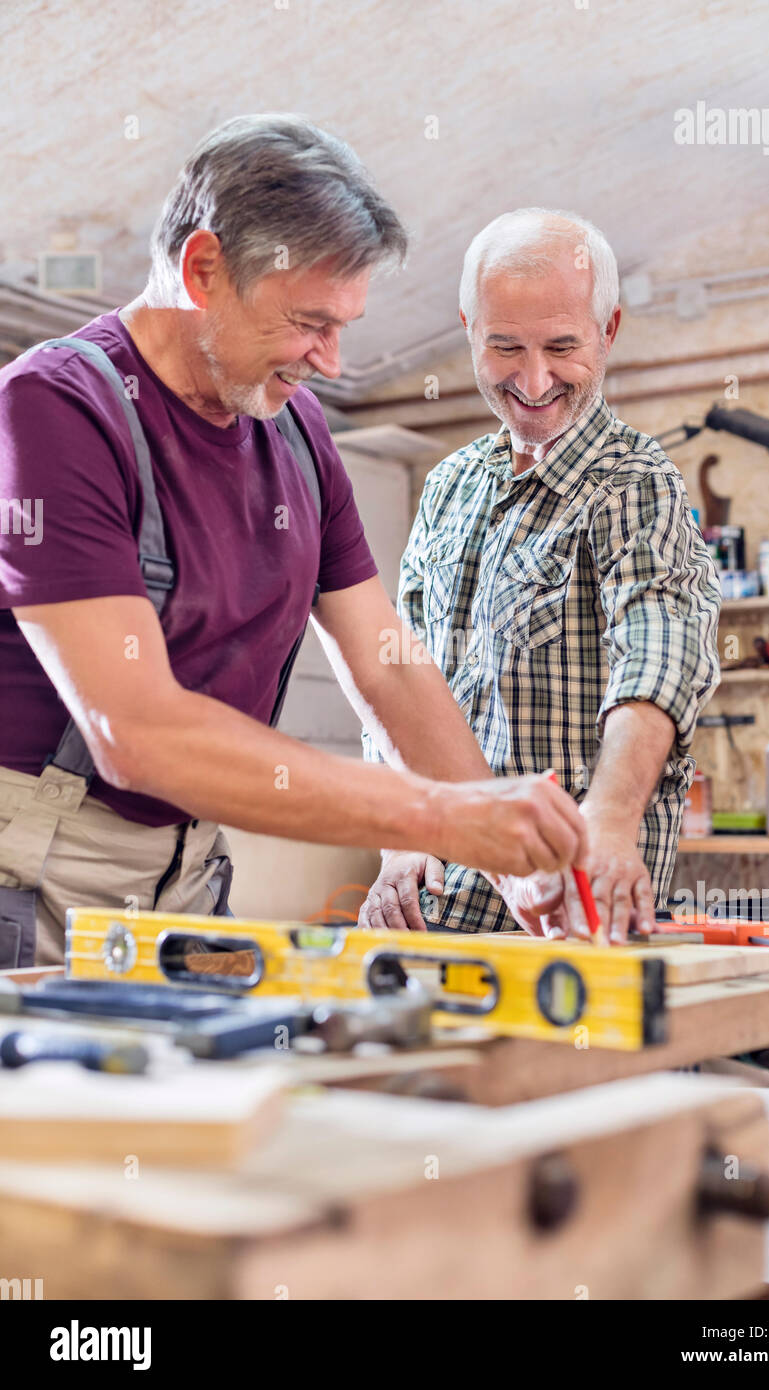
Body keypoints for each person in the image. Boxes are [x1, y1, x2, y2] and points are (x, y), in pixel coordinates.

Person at [0, 125, 587, 968]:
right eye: (310, 322)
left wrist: (502, 836)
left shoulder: (299, 435)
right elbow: (136, 733)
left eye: (344, 324)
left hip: (192, 877)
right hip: (35, 869)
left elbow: (385, 660)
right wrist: (431, 814)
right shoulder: (56, 409)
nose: (335, 361)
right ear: (204, 269)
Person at [360, 209, 721, 942]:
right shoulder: (450, 485)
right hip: (439, 918)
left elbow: (660, 652)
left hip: (575, 918)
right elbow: (399, 672)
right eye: (504, 347)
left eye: (562, 346)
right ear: (468, 327)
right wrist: (398, 837)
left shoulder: (634, 483)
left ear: (608, 329)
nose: (533, 379)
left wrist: (609, 822)